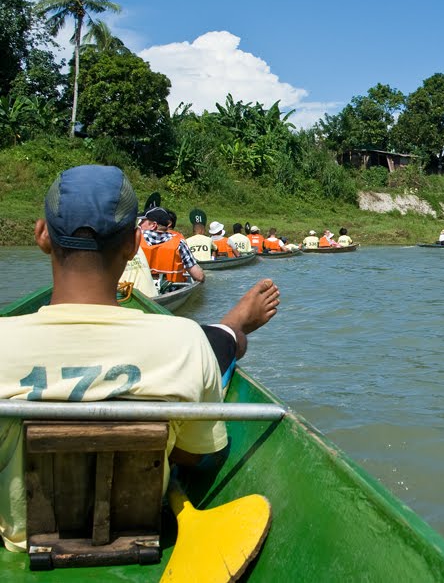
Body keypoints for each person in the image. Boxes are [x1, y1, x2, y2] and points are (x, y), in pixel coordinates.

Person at [0, 165, 281, 552]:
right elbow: (202, 457)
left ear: (42, 235)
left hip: (23, 544)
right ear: (134, 244)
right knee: (214, 347)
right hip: (144, 535)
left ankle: (231, 329)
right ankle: (233, 328)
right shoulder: (184, 341)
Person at [139, 207, 205, 284]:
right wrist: (203, 277)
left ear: (153, 225)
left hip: (141, 289)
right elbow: (199, 276)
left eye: (143, 221)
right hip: (171, 289)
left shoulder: (134, 240)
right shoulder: (179, 243)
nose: (140, 224)